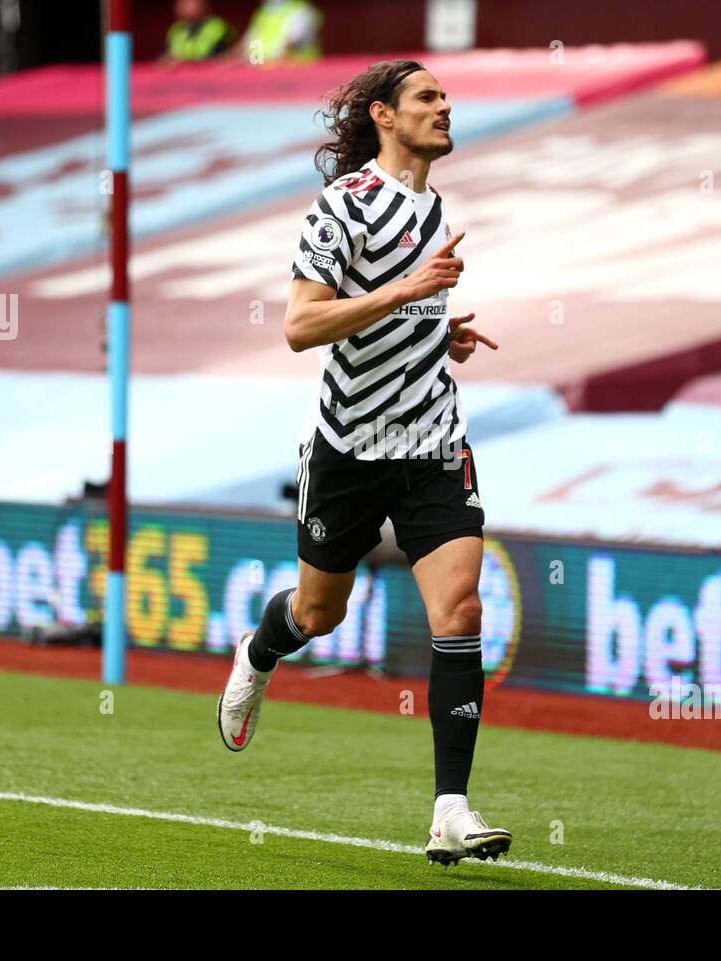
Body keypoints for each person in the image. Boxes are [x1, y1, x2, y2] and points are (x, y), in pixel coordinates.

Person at [215, 60, 508, 868]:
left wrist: (438, 330)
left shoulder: (435, 206)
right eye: (427, 98)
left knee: (462, 611)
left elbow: (403, 310)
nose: (446, 108)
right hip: (349, 448)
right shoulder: (341, 209)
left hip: (432, 441)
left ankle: (450, 809)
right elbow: (302, 327)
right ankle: (260, 652)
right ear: (384, 115)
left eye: (447, 97)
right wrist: (410, 292)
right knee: (318, 616)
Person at [236, 0, 323, 63]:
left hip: (297, 73)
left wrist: (258, 64)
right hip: (266, 72)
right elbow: (246, 45)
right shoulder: (263, 13)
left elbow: (290, 46)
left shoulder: (302, 11)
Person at [161, 0, 236, 64]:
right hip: (182, 77)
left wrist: (184, 61)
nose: (183, 5)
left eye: (189, 1)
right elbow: (166, 57)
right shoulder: (176, 29)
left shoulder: (216, 27)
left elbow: (217, 58)